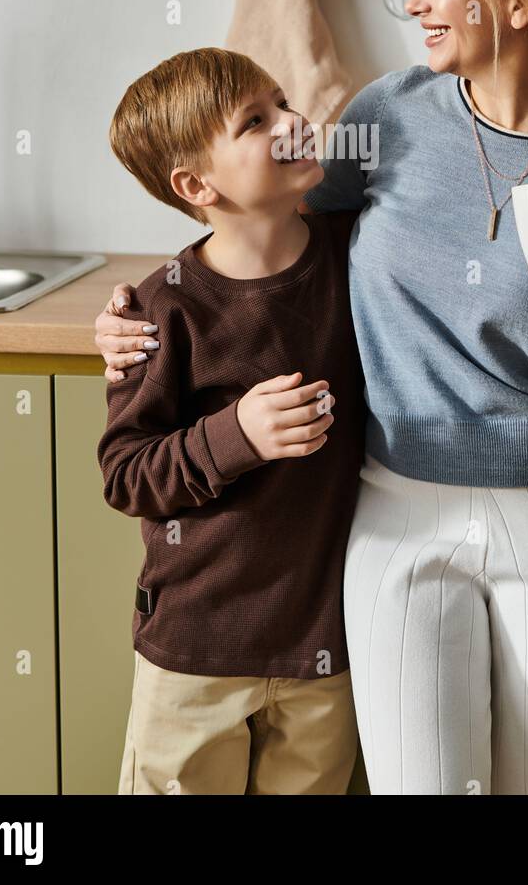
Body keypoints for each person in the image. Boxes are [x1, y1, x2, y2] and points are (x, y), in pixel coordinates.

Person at [95, 0, 528, 795]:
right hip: (393, 506)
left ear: (517, 0)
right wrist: (148, 306)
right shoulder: (390, 115)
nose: (413, 2)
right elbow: (264, 229)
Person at [98, 46, 367, 794]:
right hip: (194, 653)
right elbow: (126, 473)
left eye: (282, 100)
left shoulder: (357, 259)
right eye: (257, 120)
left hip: (322, 653)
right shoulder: (164, 308)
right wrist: (236, 435)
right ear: (195, 184)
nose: (293, 120)